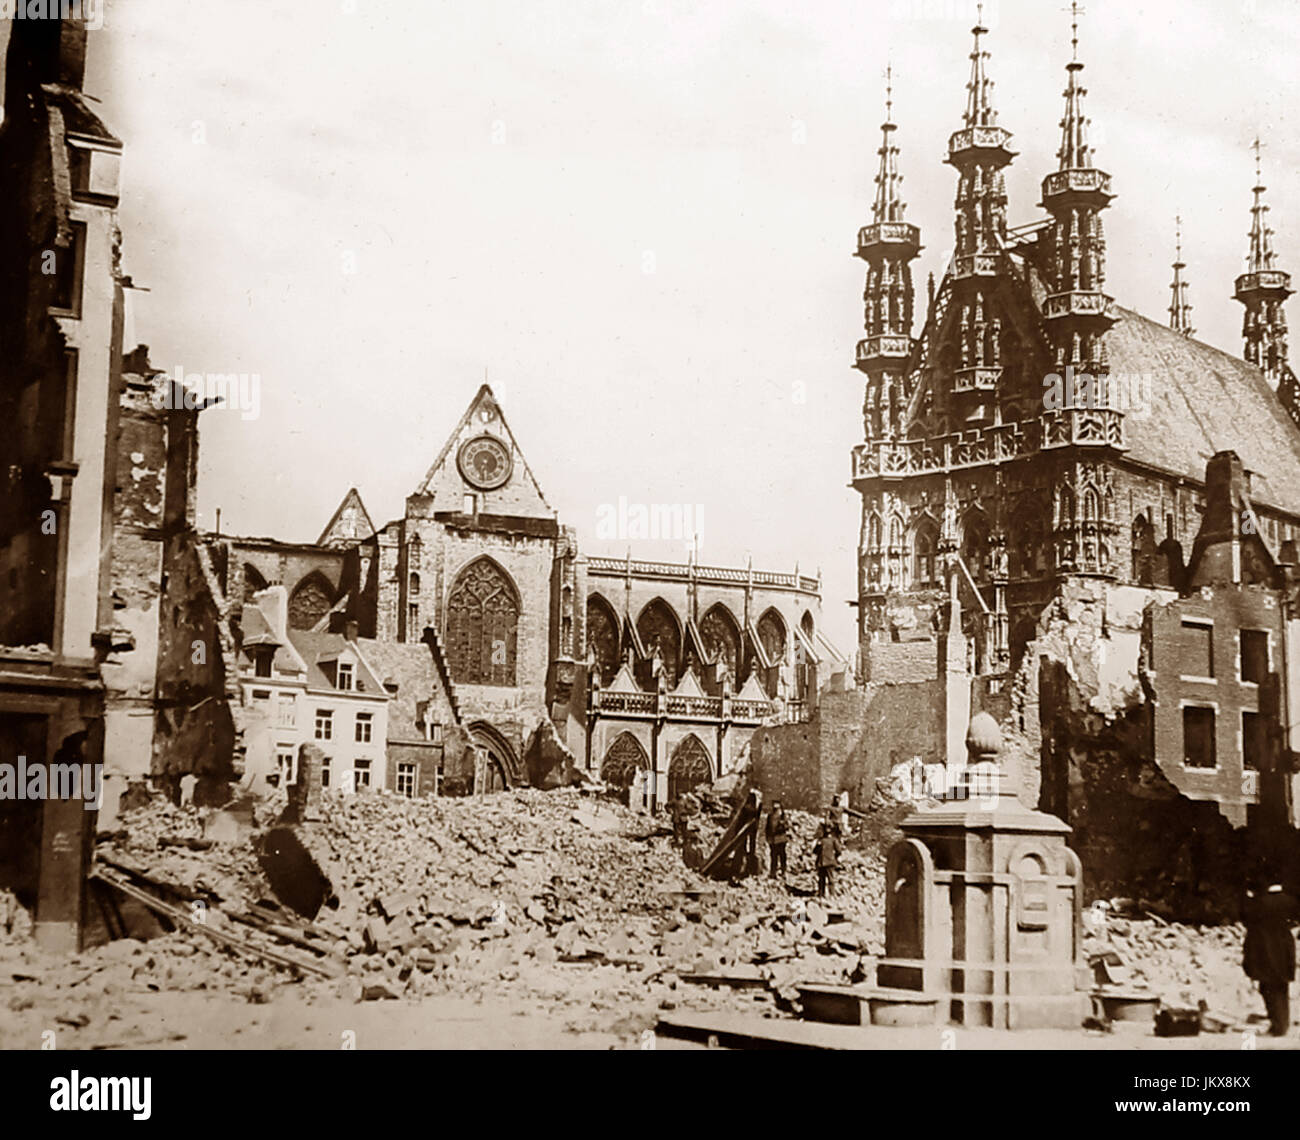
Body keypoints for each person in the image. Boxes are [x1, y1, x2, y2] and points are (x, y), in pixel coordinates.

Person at [1243, 869, 1299, 1036]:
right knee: (1281, 987)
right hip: (1285, 947)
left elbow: (1248, 920)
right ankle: (1282, 1023)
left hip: (1265, 947)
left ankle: (1277, 1024)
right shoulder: (1291, 901)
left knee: (1268, 987)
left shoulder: (1260, 902)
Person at [814, 816, 841, 898]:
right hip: (822, 862)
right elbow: (815, 851)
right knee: (821, 880)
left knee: (830, 879)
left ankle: (832, 894)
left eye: (829, 828)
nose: (827, 830)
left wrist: (834, 857)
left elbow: (839, 851)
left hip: (829, 862)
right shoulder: (821, 840)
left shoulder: (834, 840)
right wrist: (818, 846)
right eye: (826, 828)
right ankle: (821, 894)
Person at [765, 800, 789, 883]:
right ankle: (773, 872)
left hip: (781, 839)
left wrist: (782, 825)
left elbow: (787, 826)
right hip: (773, 839)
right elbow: (767, 827)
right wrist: (768, 837)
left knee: (782, 856)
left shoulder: (783, 816)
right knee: (773, 856)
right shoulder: (770, 816)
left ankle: (783, 872)